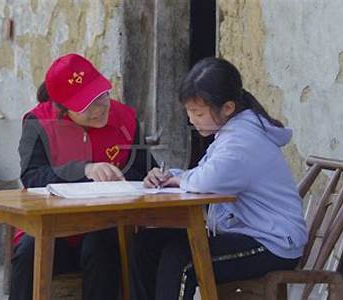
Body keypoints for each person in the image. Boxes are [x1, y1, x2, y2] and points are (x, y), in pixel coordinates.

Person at [129, 57, 308, 300]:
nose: (192, 119)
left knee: (182, 259)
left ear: (228, 108)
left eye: (198, 112)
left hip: (271, 242)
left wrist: (180, 180)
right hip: (245, 232)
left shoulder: (243, 140)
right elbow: (206, 173)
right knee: (146, 245)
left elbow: (206, 181)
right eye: (189, 112)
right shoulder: (231, 132)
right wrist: (170, 176)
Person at [11, 53, 157, 300]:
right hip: (52, 227)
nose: (100, 110)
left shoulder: (126, 119)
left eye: (102, 98)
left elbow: (142, 169)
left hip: (105, 225)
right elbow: (33, 176)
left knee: (104, 246)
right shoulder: (38, 122)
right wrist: (85, 170)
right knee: (29, 251)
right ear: (63, 109)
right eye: (87, 106)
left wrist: (150, 176)